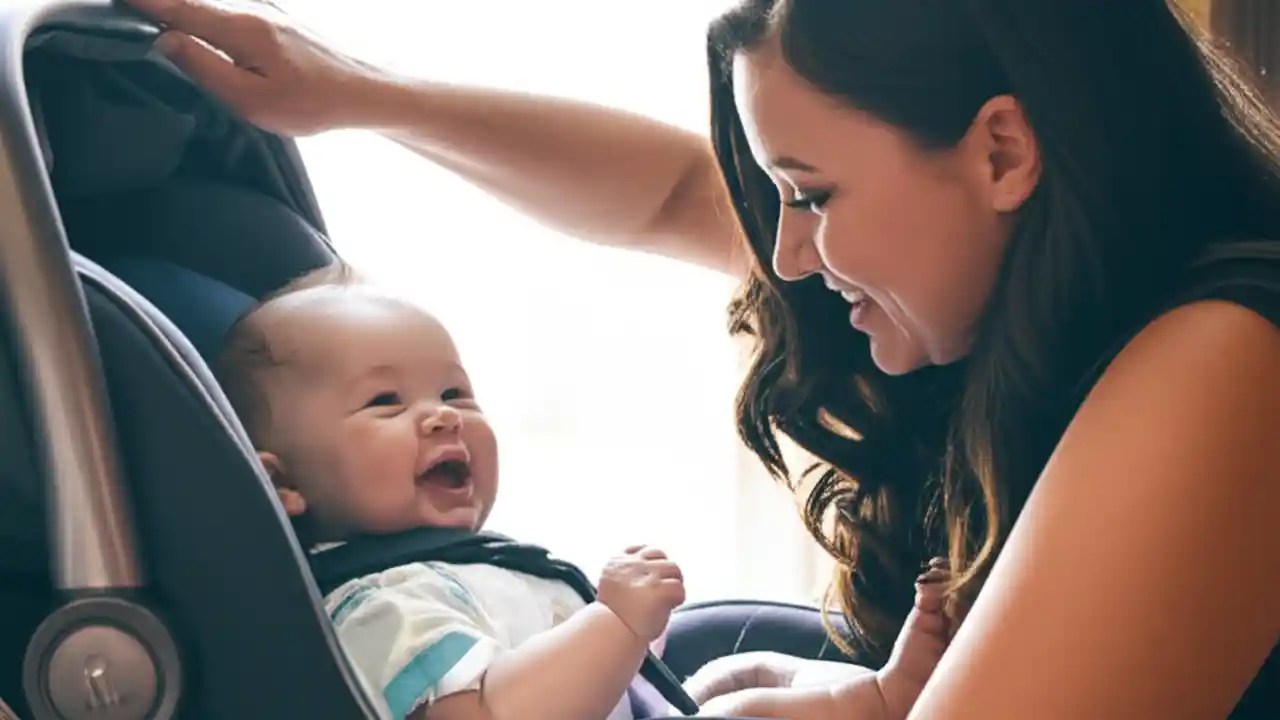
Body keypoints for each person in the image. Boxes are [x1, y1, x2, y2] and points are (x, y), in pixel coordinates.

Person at [123, 0, 1280, 717]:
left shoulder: (1221, 362)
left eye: (808, 194)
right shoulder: (1024, 285)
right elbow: (677, 192)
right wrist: (351, 96)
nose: (779, 251)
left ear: (1001, 150)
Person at [182, 260, 952, 719]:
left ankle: (882, 700)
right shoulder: (382, 606)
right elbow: (493, 711)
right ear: (281, 484)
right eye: (386, 403)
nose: (440, 420)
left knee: (736, 679)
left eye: (455, 392)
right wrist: (613, 625)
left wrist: (628, 639)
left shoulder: (472, 565)